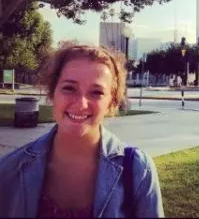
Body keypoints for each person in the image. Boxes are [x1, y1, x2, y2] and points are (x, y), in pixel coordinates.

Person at [0, 44, 164, 218]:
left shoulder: (138, 170)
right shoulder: (10, 169)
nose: (81, 104)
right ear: (52, 93)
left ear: (112, 103)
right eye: (69, 88)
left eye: (96, 92)